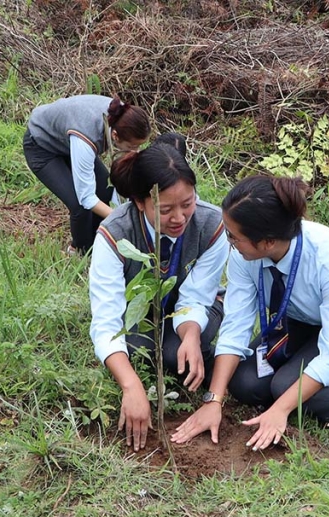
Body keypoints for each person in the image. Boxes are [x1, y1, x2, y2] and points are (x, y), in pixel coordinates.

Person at [171, 175, 329, 450]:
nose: (229, 242)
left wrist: (280, 410)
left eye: (234, 236)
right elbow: (236, 324)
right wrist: (213, 400)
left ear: (267, 242)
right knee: (244, 383)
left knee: (285, 387)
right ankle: (294, 380)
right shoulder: (243, 256)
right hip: (300, 320)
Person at [90, 142, 229, 451]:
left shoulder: (212, 224)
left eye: (188, 203)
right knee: (137, 353)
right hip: (140, 315)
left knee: (174, 355)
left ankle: (200, 350)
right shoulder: (115, 234)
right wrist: (131, 386)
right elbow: (106, 322)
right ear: (141, 202)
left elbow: (196, 296)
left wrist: (191, 335)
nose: (179, 218)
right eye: (165, 210)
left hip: (195, 311)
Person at [24, 94, 150, 253]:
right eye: (132, 147)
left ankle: (98, 239)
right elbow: (86, 199)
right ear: (115, 136)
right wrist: (121, 219)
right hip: (41, 146)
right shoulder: (85, 139)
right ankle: (80, 251)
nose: (135, 152)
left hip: (66, 140)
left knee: (105, 190)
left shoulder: (123, 115)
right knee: (79, 206)